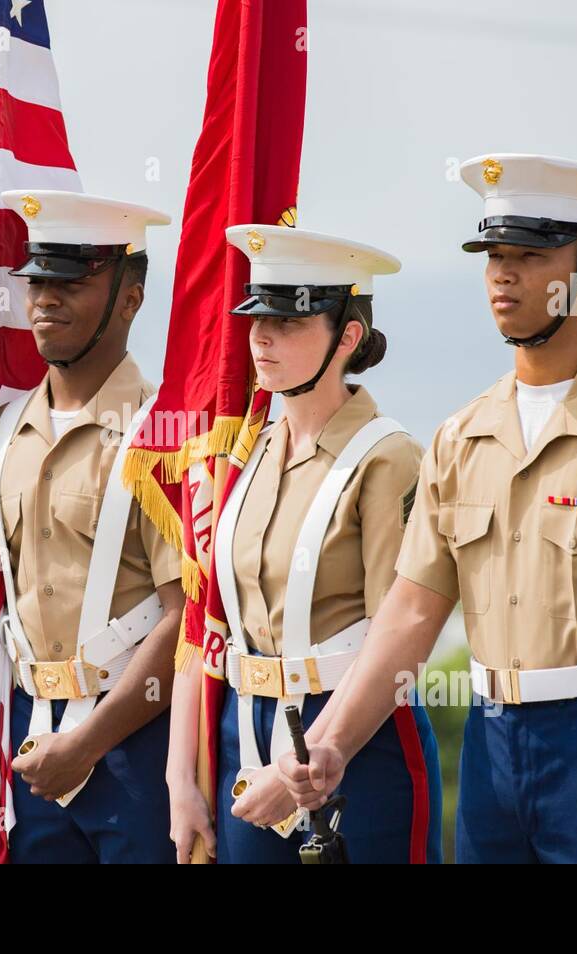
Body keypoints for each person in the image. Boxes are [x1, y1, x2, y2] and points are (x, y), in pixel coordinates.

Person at [278, 155, 577, 863]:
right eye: (495, 256)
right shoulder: (461, 437)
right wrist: (331, 744)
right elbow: (412, 613)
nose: (503, 275)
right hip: (491, 747)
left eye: (530, 256)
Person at [168, 224, 442, 864]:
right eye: (256, 317)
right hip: (248, 727)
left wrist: (310, 753)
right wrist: (182, 776)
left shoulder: (387, 457)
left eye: (289, 322)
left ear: (347, 336)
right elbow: (204, 614)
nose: (261, 336)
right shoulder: (249, 448)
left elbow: (395, 634)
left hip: (355, 735)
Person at [0, 189, 187, 863]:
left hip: (134, 745)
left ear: (130, 297)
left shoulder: (167, 432)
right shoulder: (5, 432)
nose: (46, 296)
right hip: (30, 742)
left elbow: (185, 616)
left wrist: (89, 743)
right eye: (38, 278)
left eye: (72, 279)